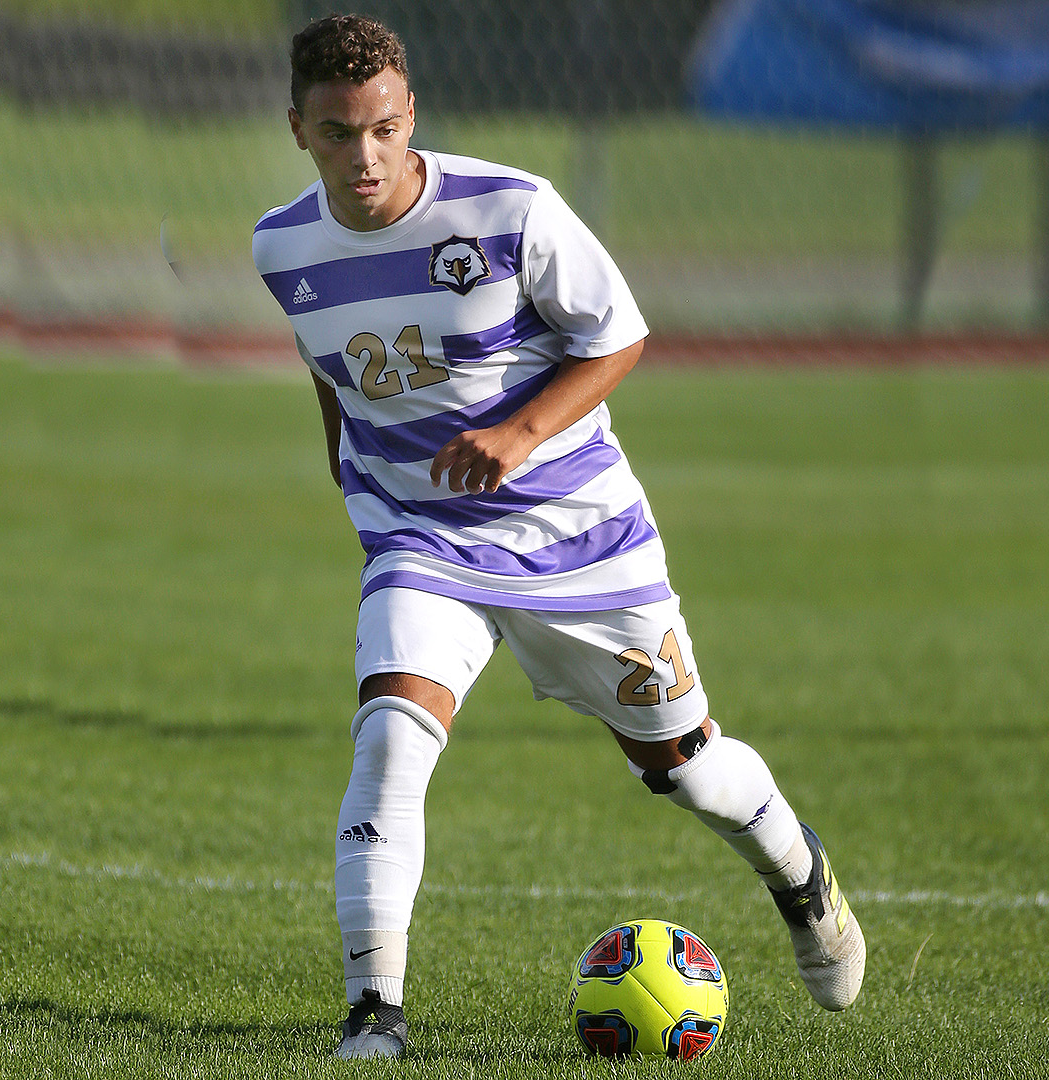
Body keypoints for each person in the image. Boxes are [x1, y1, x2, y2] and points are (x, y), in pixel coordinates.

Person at [251, 14, 866, 1059]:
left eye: (385, 130)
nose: (365, 156)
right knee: (391, 738)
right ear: (297, 128)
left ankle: (800, 875)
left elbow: (618, 334)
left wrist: (518, 435)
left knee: (685, 766)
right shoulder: (282, 247)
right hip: (424, 540)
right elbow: (333, 373)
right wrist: (361, 494)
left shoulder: (512, 209)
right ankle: (374, 1017)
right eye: (339, 132)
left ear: (414, 119)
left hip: (581, 539)